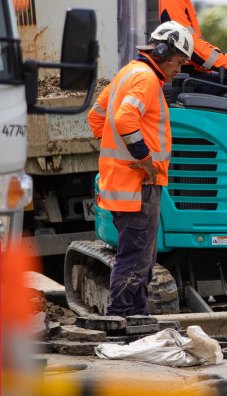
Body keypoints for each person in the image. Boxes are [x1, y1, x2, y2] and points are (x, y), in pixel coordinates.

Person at [87, 21, 192, 317]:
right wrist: (143, 159)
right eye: (179, 62)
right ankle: (120, 317)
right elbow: (124, 119)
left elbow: (96, 118)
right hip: (139, 186)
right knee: (136, 258)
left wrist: (119, 156)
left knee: (139, 256)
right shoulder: (146, 79)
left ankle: (136, 317)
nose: (179, 70)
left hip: (121, 185)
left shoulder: (127, 74)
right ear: (163, 53)